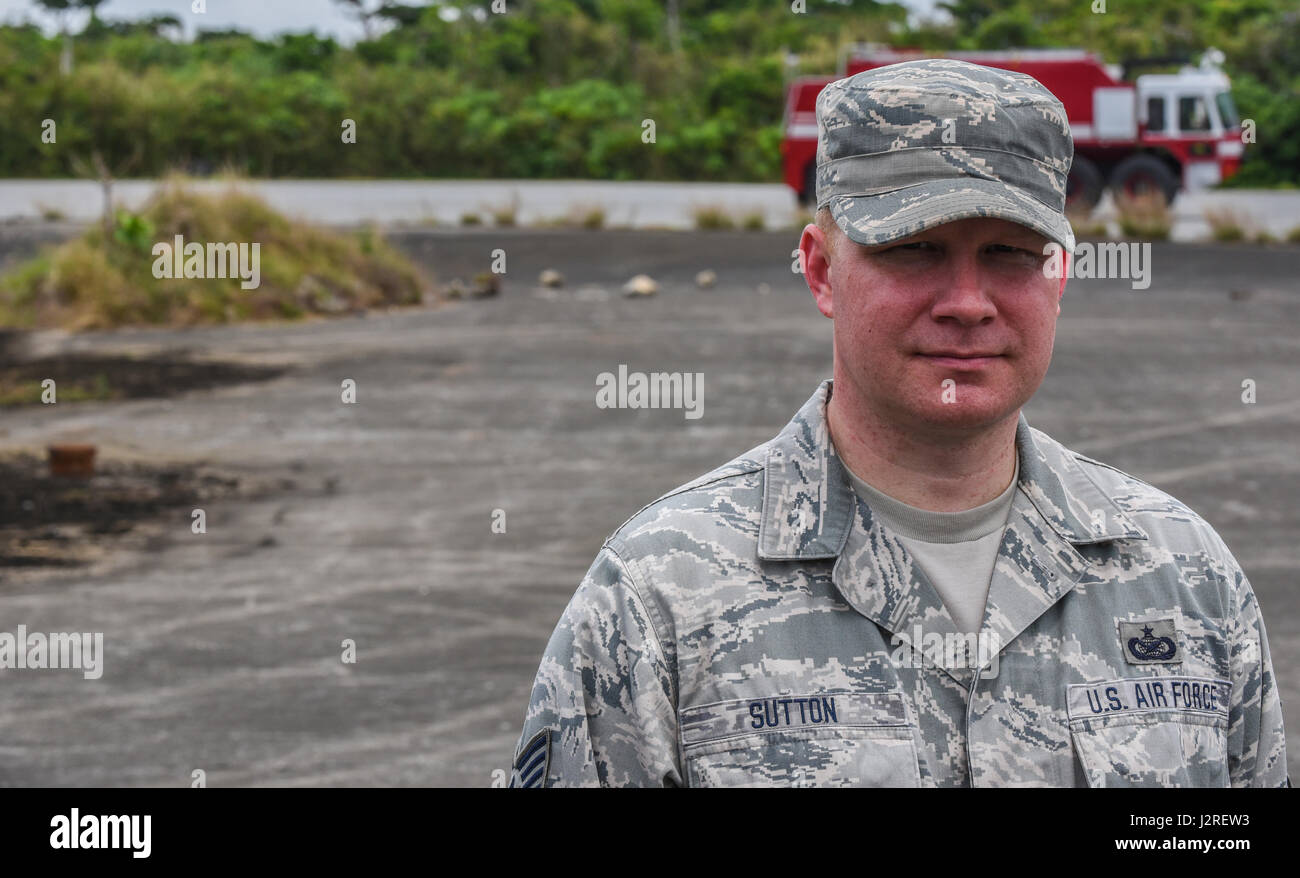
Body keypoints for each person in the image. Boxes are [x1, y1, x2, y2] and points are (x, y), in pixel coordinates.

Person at [508, 59, 1288, 787]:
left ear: (1059, 278)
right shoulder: (660, 594)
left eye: (1011, 253)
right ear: (820, 271)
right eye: (914, 248)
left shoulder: (1186, 578)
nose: (968, 301)